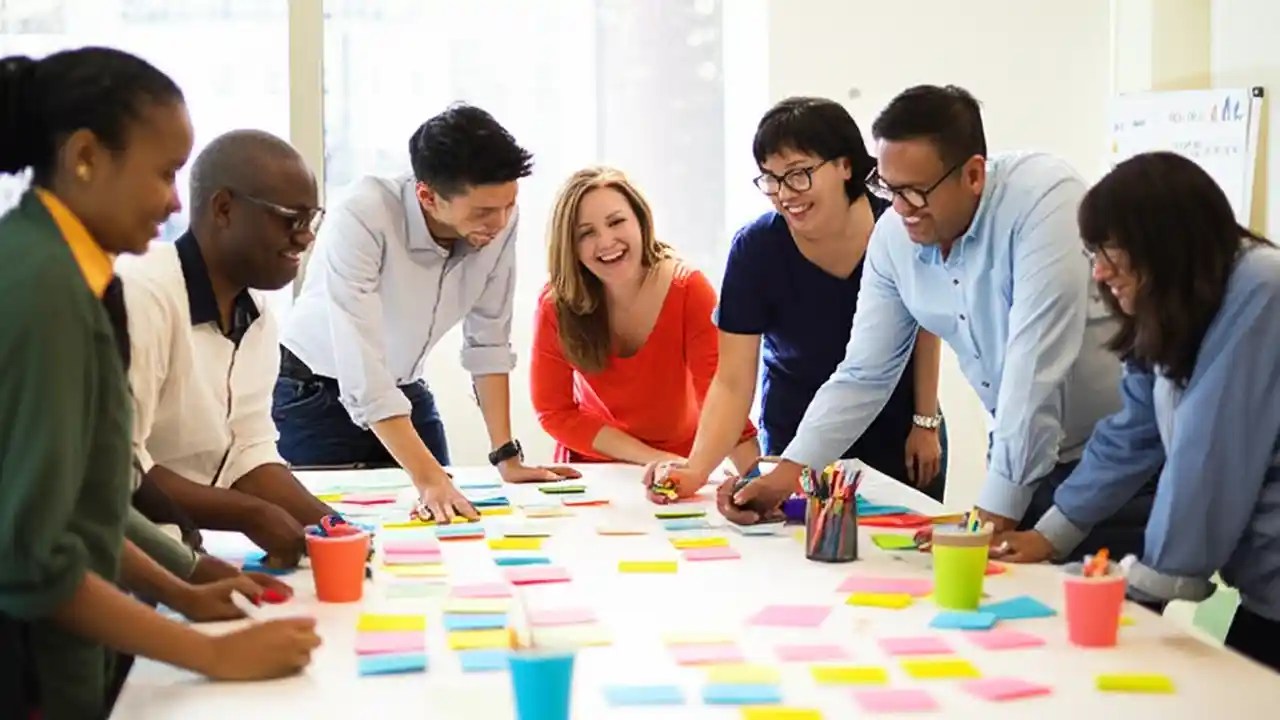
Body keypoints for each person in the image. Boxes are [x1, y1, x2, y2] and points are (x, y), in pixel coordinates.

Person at [0, 47, 319, 719]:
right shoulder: (46, 289)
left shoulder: (74, 277)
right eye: (166, 174)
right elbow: (34, 557)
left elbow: (90, 509)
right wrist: (208, 653)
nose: (179, 201)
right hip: (33, 668)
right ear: (86, 156)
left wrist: (184, 587)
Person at [726, 85, 1153, 562]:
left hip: (1117, 459)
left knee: (1115, 624)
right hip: (1026, 464)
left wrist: (986, 519)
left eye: (915, 192)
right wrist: (783, 478)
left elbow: (1033, 373)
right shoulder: (894, 237)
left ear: (972, 175)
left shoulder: (1044, 200)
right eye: (889, 188)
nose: (900, 208)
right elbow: (863, 375)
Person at [995, 152, 1280, 672]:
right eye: (1093, 253)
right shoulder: (1180, 303)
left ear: (1164, 246)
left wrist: (1149, 581)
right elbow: (1133, 432)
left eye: (1111, 252)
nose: (1100, 271)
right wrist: (1052, 532)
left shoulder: (1260, 287)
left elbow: (1209, 447)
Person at [276, 103, 577, 522]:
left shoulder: (498, 221)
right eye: (484, 212)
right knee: (334, 533)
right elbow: (362, 370)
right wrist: (428, 477)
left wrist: (506, 457)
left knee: (447, 522)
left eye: (509, 205)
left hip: (403, 388)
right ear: (428, 197)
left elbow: (488, 339)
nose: (500, 221)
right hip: (314, 394)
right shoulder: (364, 214)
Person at [653, 96, 946, 503]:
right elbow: (733, 380)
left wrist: (925, 421)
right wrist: (697, 469)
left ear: (845, 165)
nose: (784, 193)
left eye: (798, 174)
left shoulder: (897, 229)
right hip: (796, 435)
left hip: (900, 430)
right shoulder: (756, 249)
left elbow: (926, 327)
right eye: (770, 178)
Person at [118, 129, 337, 568]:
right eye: (290, 219)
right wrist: (247, 514)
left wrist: (328, 525)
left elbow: (248, 447)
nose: (305, 238)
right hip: (115, 553)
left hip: (174, 542)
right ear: (224, 209)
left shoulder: (256, 311)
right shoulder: (142, 295)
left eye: (311, 220)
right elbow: (122, 466)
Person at [531, 167, 760, 470]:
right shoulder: (555, 304)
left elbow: (724, 396)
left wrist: (754, 480)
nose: (606, 241)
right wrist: (655, 459)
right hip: (594, 468)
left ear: (640, 221)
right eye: (586, 233)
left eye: (616, 222)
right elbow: (555, 412)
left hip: (682, 468)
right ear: (570, 247)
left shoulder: (688, 290)